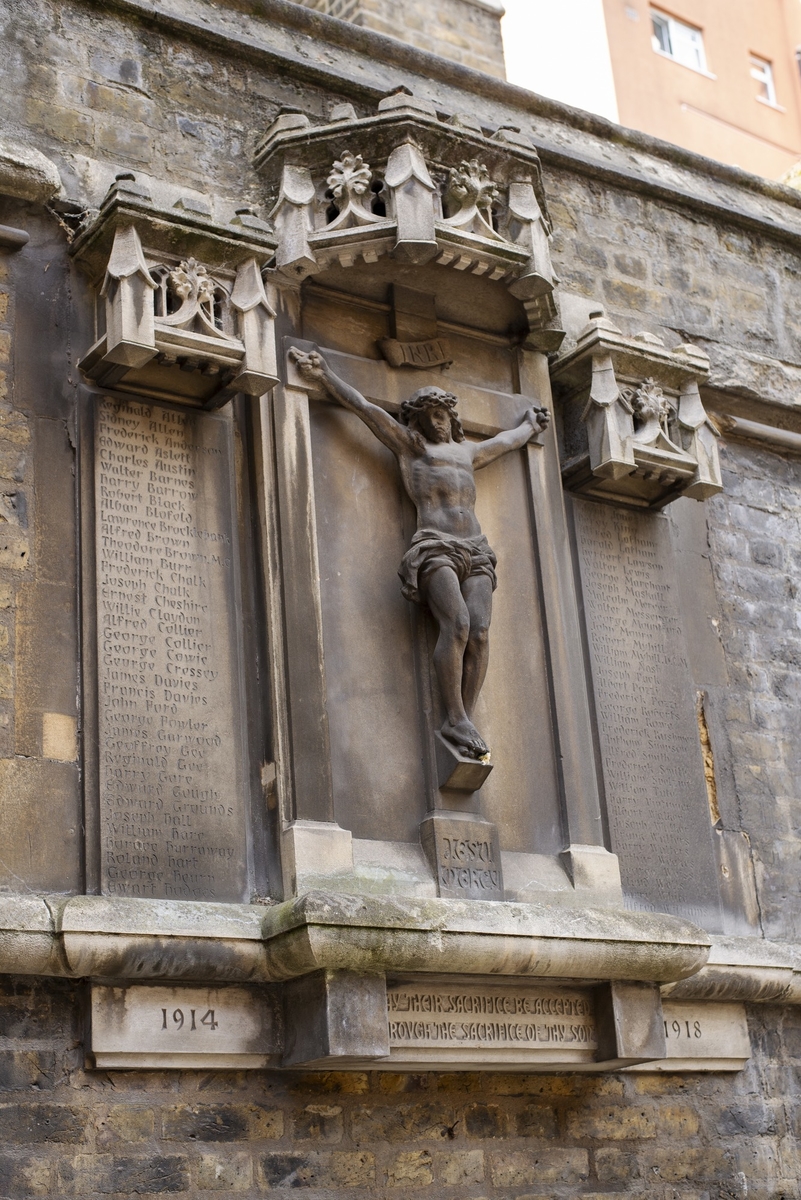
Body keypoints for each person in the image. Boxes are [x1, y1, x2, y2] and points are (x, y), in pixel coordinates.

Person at [289, 348, 550, 761]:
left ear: (452, 418)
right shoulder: (411, 448)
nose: (437, 420)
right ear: (419, 420)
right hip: (435, 547)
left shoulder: (468, 453)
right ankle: (457, 718)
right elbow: (363, 407)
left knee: (480, 632)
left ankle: (461, 717)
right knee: (459, 623)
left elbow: (507, 441)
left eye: (442, 414)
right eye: (429, 414)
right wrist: (325, 376)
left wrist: (530, 426)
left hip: (476, 550)